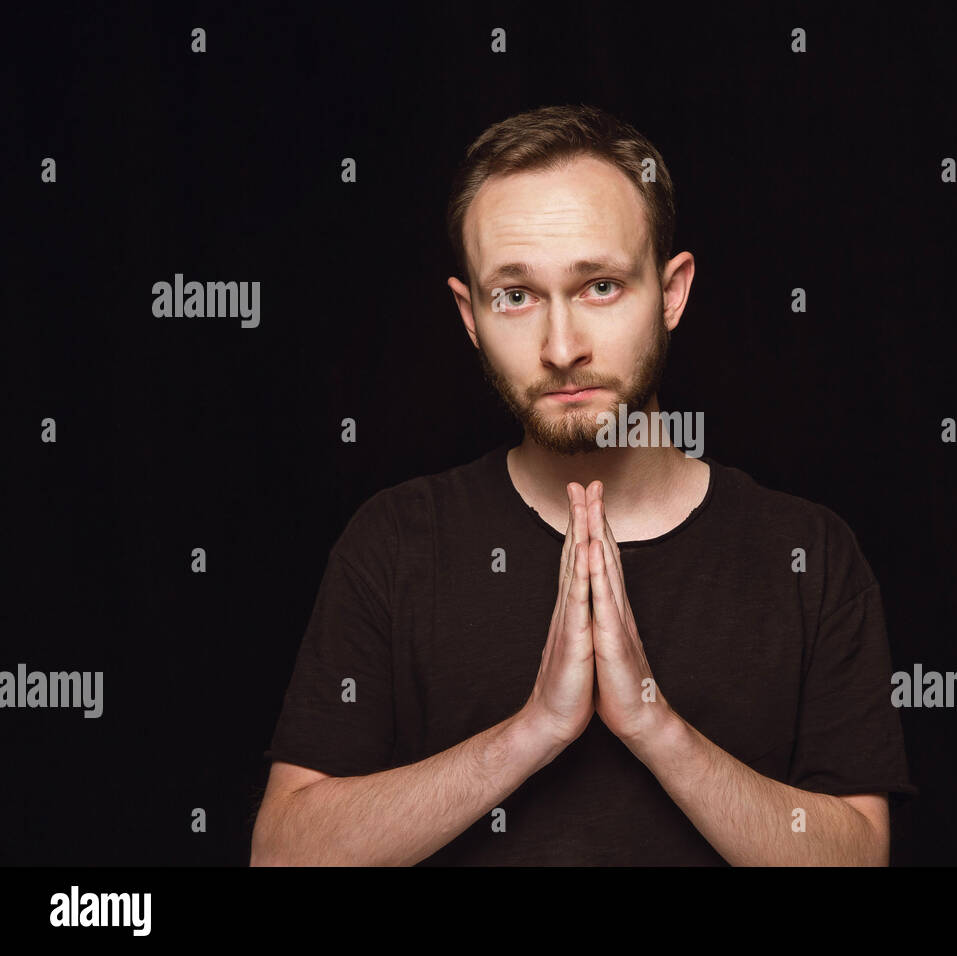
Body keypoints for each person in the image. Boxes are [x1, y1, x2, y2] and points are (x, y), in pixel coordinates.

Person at [250, 104, 917, 866]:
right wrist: (534, 729)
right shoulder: (397, 542)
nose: (561, 347)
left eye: (600, 286)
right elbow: (283, 857)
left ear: (672, 293)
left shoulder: (809, 553)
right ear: (469, 314)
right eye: (516, 295)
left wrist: (652, 724)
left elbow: (859, 858)